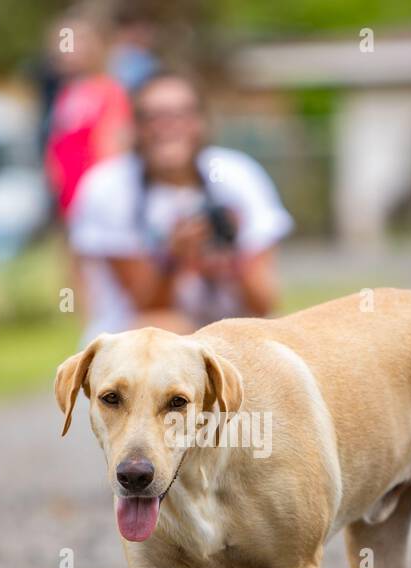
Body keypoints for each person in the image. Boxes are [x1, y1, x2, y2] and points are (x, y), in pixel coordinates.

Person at [68, 71, 293, 342]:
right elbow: (146, 309)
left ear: (201, 122)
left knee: (288, 332)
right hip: (137, 342)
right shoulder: (110, 187)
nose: (169, 127)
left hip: (224, 336)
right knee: (168, 328)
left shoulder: (236, 175)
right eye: (155, 116)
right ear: (135, 127)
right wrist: (173, 258)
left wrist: (232, 258)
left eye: (181, 114)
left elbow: (264, 305)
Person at [43, 3, 133, 220]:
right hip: (68, 200)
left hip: (97, 202)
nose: (68, 49)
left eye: (78, 40)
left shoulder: (109, 91)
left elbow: (112, 152)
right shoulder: (66, 93)